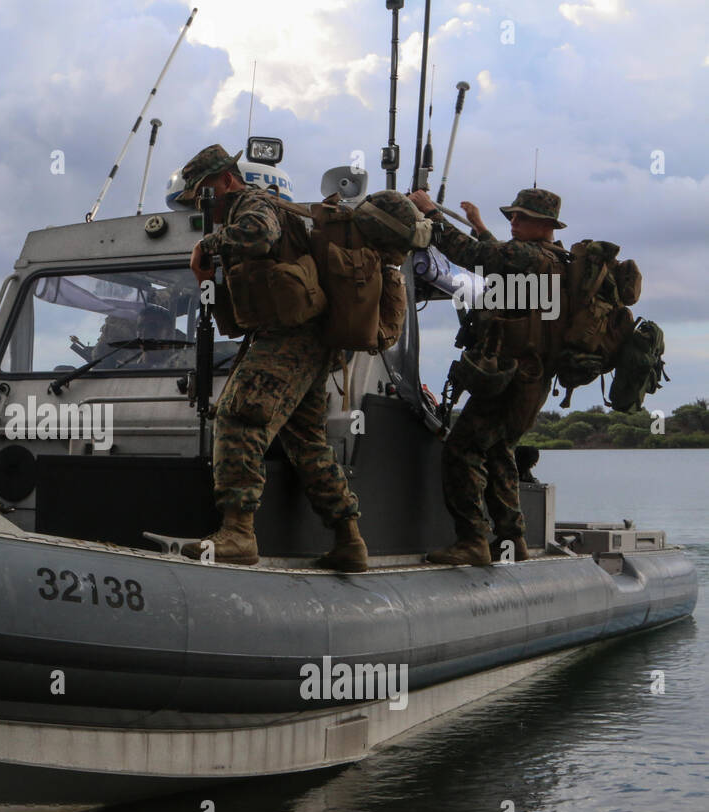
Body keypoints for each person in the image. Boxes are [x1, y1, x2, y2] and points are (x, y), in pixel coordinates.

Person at [176, 144, 368, 571]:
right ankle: (348, 538)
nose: (206, 206)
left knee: (239, 415)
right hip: (304, 340)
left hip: (292, 339)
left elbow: (259, 236)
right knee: (306, 441)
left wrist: (208, 244)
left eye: (206, 193)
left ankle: (239, 534)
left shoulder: (256, 203)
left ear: (227, 180)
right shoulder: (258, 208)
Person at [408, 187, 569, 564]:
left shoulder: (530, 257)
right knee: (497, 450)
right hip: (531, 379)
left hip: (510, 378)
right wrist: (480, 225)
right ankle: (512, 540)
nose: (513, 222)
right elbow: (499, 258)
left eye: (521, 217)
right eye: (511, 216)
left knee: (462, 449)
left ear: (545, 225)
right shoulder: (552, 259)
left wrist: (432, 214)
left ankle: (472, 541)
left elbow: (477, 257)